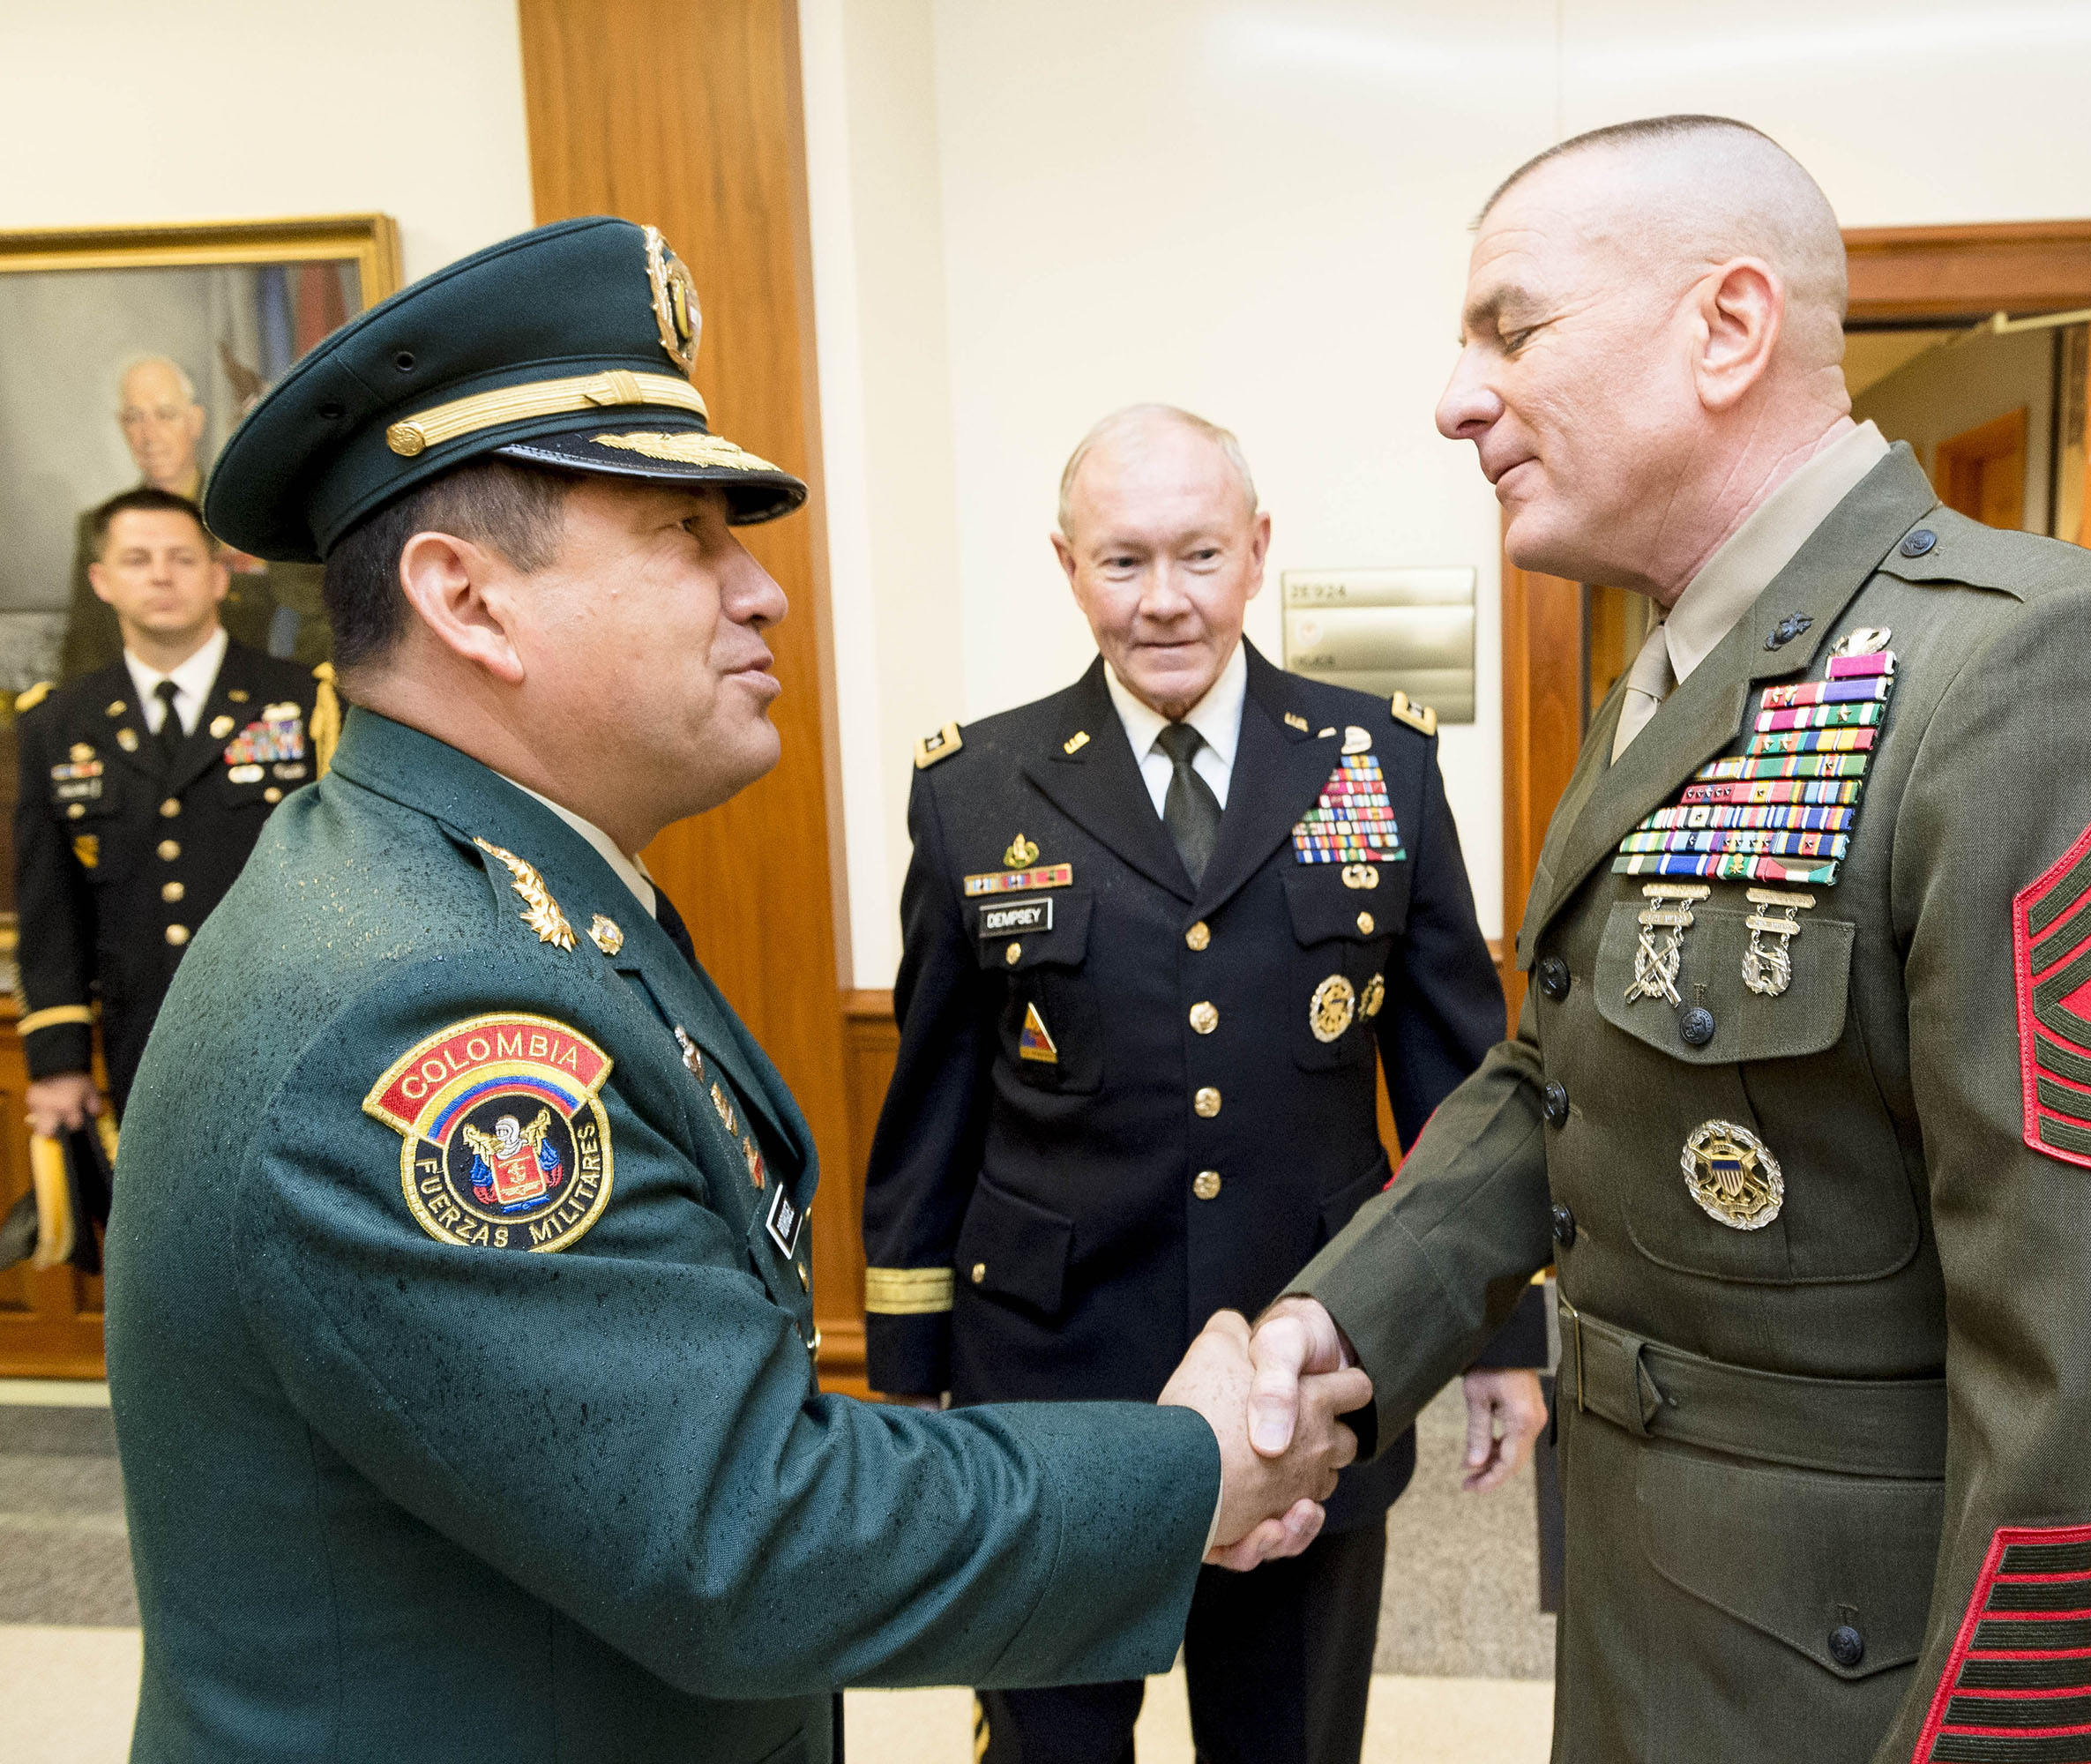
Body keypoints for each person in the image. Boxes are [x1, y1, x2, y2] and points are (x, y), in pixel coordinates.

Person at [106, 215, 1365, 1764]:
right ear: (469, 601)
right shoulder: (423, 1003)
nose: (759, 592)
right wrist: (1190, 1471)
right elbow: (742, 1531)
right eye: (686, 536)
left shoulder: (511, 895)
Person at [1244, 115, 2091, 1761]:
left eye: (1512, 328)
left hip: (1885, 1697)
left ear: (1729, 326)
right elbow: (1558, 1079)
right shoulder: (1681, 674)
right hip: (1666, 1640)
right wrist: (1340, 1324)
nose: (1457, 398)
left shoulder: (2051, 679)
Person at [863, 403, 1546, 1764]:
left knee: (1286, 1736)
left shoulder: (1378, 762)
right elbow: (932, 1102)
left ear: (1258, 551)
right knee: (1052, 1740)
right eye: (1122, 563)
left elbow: (1461, 1081)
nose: (1163, 602)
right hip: (1050, 1373)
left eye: (1198, 556)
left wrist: (1500, 1335)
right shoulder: (975, 787)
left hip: (1312, 1350)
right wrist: (908, 1364)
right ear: (1067, 564)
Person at [0, 488, 324, 1269]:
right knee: (171, 1261)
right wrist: (58, 1060)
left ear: (218, 578)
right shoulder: (58, 724)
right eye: (138, 560)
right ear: (102, 580)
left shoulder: (304, 701)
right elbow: (50, 906)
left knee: (300, 1250)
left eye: (183, 558)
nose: (162, 576)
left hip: (295, 1033)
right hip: (143, 1040)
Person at [58, 355, 325, 679]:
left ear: (195, 421)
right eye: (134, 418)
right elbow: (87, 649)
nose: (149, 435)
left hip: (250, 703)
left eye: (165, 415)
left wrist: (285, 696)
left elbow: (315, 618)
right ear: (121, 425)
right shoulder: (98, 527)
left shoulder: (250, 515)